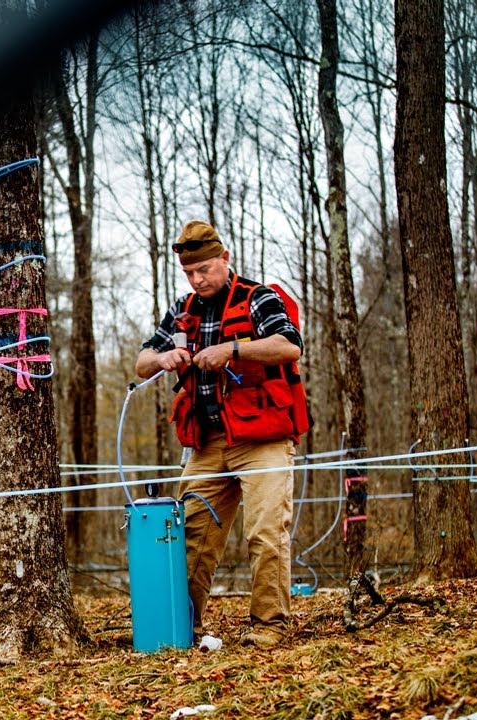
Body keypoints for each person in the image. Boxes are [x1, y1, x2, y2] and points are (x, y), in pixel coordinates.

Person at [134, 220, 309, 648]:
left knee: (266, 531)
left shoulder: (257, 297)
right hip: (208, 443)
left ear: (224, 259)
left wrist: (232, 349)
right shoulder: (182, 309)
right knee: (191, 537)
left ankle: (269, 626)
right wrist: (163, 358)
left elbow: (290, 345)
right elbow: (142, 362)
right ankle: (180, 628)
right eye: (189, 272)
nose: (197, 279)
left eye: (204, 269)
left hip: (263, 438)